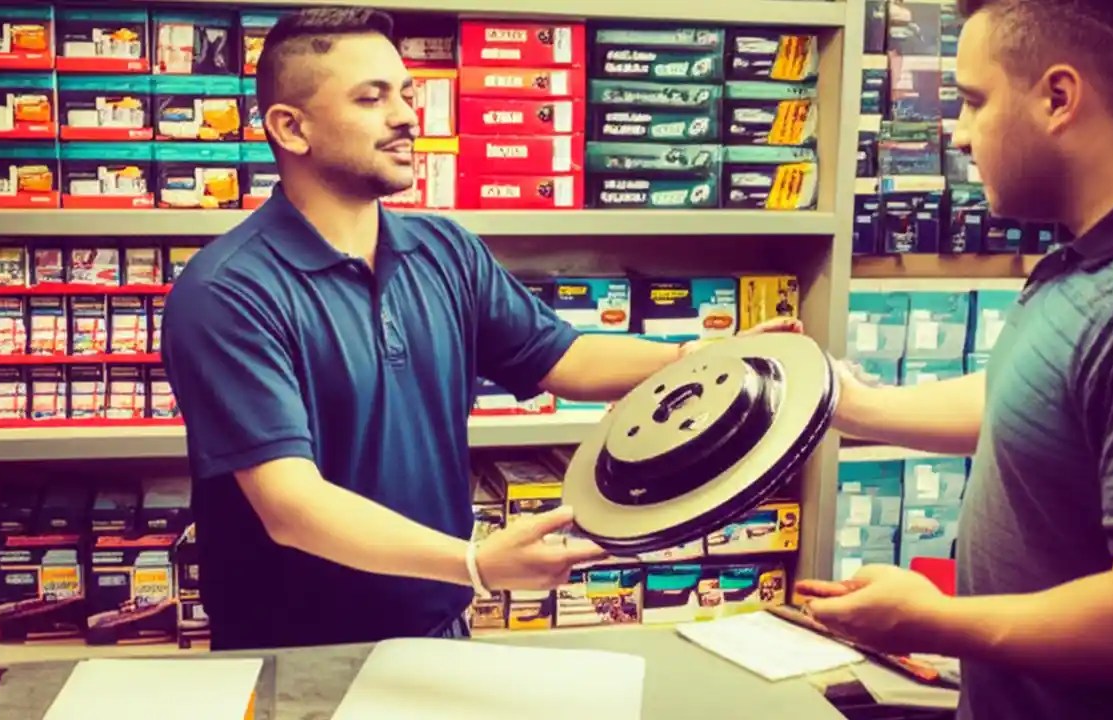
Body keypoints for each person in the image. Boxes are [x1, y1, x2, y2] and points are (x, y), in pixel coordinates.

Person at [159, 7, 796, 651]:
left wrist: (705, 359)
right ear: (291, 129)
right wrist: (475, 563)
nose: (407, 115)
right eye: (370, 97)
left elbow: (563, 357)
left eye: (406, 93)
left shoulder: (443, 249)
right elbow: (291, 507)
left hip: (440, 627)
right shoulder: (227, 293)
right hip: (293, 649)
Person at [795, 2, 1113, 719]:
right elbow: (1036, 400)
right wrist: (836, 399)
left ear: (1058, 97)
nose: (959, 135)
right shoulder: (1095, 253)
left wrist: (932, 620)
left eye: (972, 101)